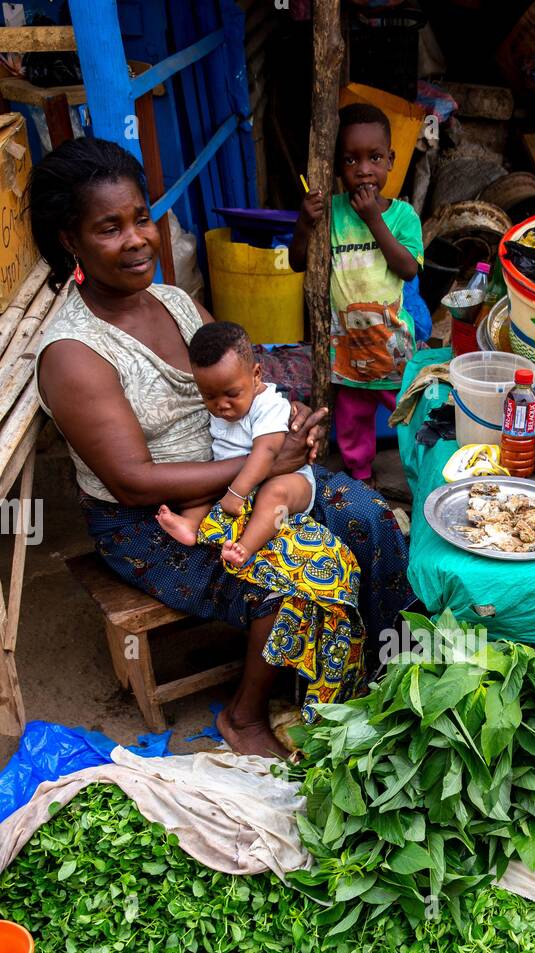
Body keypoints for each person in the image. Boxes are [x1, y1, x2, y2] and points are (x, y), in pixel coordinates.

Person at [29, 136, 415, 757]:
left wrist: (281, 420)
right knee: (309, 566)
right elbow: (131, 481)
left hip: (238, 470)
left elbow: (236, 379)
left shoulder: (175, 301)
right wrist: (264, 460)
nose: (137, 239)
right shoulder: (74, 354)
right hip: (151, 520)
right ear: (70, 239)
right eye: (109, 228)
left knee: (369, 517)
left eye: (141, 217)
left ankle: (389, 671)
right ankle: (246, 715)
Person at [290, 101, 423, 483]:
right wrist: (304, 223)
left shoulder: (402, 216)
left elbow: (408, 268)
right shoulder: (328, 213)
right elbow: (299, 261)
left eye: (375, 157)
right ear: (336, 166)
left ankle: (417, 476)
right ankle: (360, 476)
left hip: (392, 343)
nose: (364, 169)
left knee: (410, 413)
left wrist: (373, 220)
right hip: (346, 346)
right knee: (352, 418)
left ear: (391, 160)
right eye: (351, 160)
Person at [156, 319, 315, 569]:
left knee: (275, 495)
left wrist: (236, 492)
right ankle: (190, 524)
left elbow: (268, 451)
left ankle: (245, 548)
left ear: (256, 375)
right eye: (209, 396)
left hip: (290, 480)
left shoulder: (268, 405)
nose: (221, 405)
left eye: (232, 394)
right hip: (236, 486)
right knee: (199, 492)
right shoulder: (221, 406)